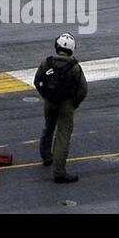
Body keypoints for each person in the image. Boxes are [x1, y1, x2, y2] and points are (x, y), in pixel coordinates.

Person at [34, 33, 88, 183]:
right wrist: (74, 103)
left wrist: (46, 96)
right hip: (66, 105)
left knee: (48, 127)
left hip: (50, 102)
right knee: (63, 137)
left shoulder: (47, 63)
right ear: (71, 50)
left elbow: (37, 81)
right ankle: (59, 172)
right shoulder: (75, 67)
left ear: (56, 46)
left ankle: (45, 155)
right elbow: (83, 89)